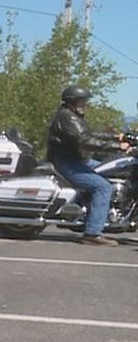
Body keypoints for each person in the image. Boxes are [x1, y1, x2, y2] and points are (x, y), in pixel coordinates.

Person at [46, 85, 130, 247]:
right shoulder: (67, 118)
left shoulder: (74, 116)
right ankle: (92, 233)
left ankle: (91, 211)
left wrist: (118, 137)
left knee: (111, 172)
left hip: (78, 160)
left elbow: (89, 134)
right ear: (72, 101)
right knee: (103, 187)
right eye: (82, 101)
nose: (85, 104)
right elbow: (85, 141)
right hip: (67, 162)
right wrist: (118, 147)